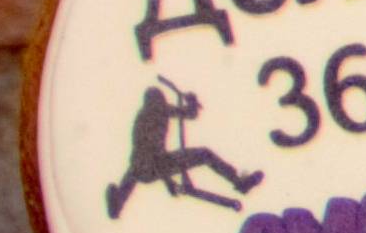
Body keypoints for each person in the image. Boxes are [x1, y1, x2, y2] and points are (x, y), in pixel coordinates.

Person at [105, 79, 262, 216]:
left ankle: (118, 201)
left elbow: (189, 114)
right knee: (205, 154)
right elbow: (151, 156)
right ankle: (238, 182)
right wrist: (168, 182)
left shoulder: (153, 112)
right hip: (154, 164)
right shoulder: (154, 114)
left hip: (141, 168)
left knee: (136, 169)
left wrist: (191, 101)